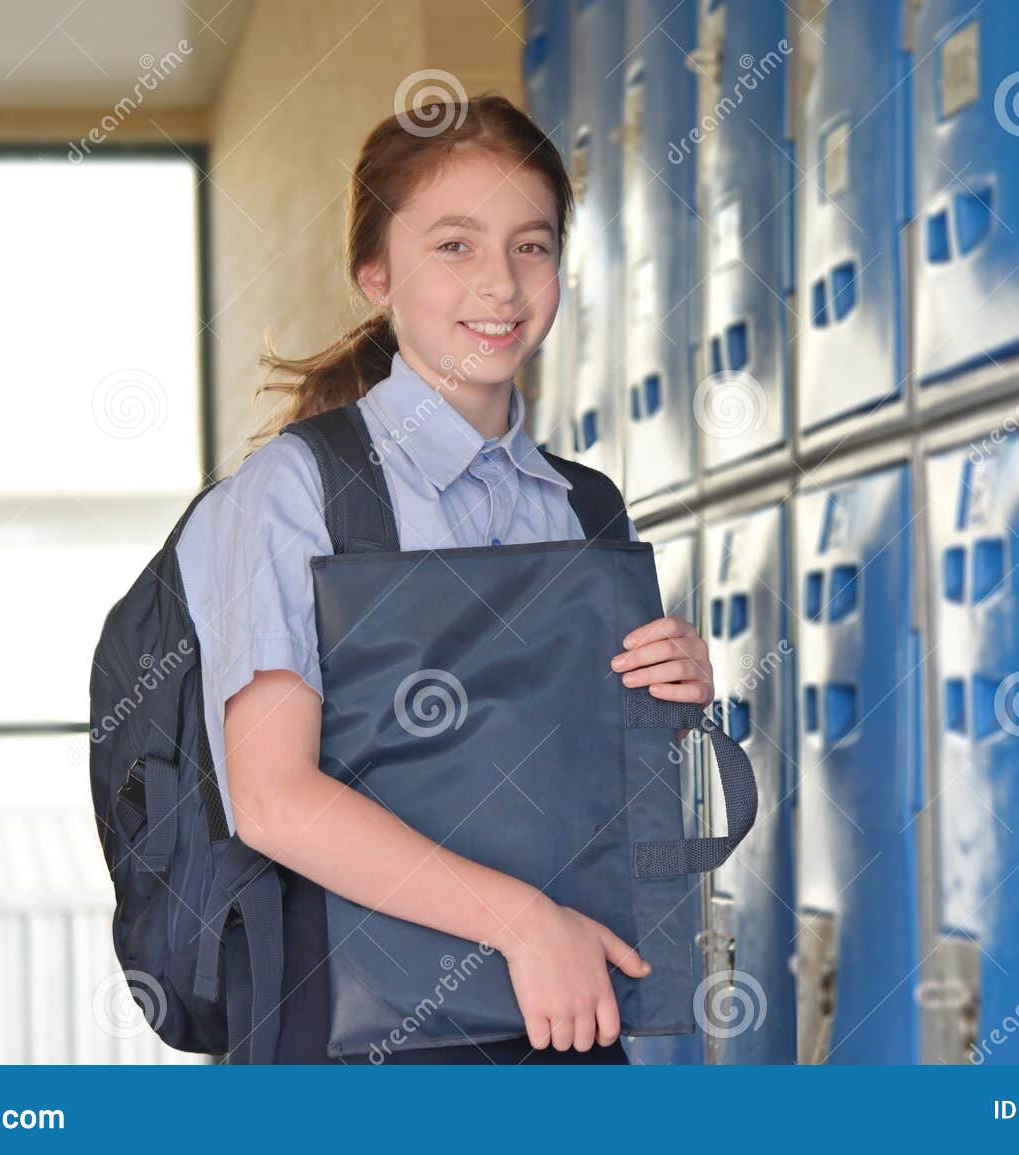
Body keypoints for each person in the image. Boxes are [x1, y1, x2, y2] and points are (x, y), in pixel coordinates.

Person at [175, 93, 715, 1064]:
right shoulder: (299, 493)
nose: (501, 285)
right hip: (357, 1043)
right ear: (375, 271)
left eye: (533, 245)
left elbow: (584, 794)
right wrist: (519, 922)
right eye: (454, 246)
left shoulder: (586, 507)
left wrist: (671, 700)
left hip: (566, 1022)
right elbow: (271, 797)